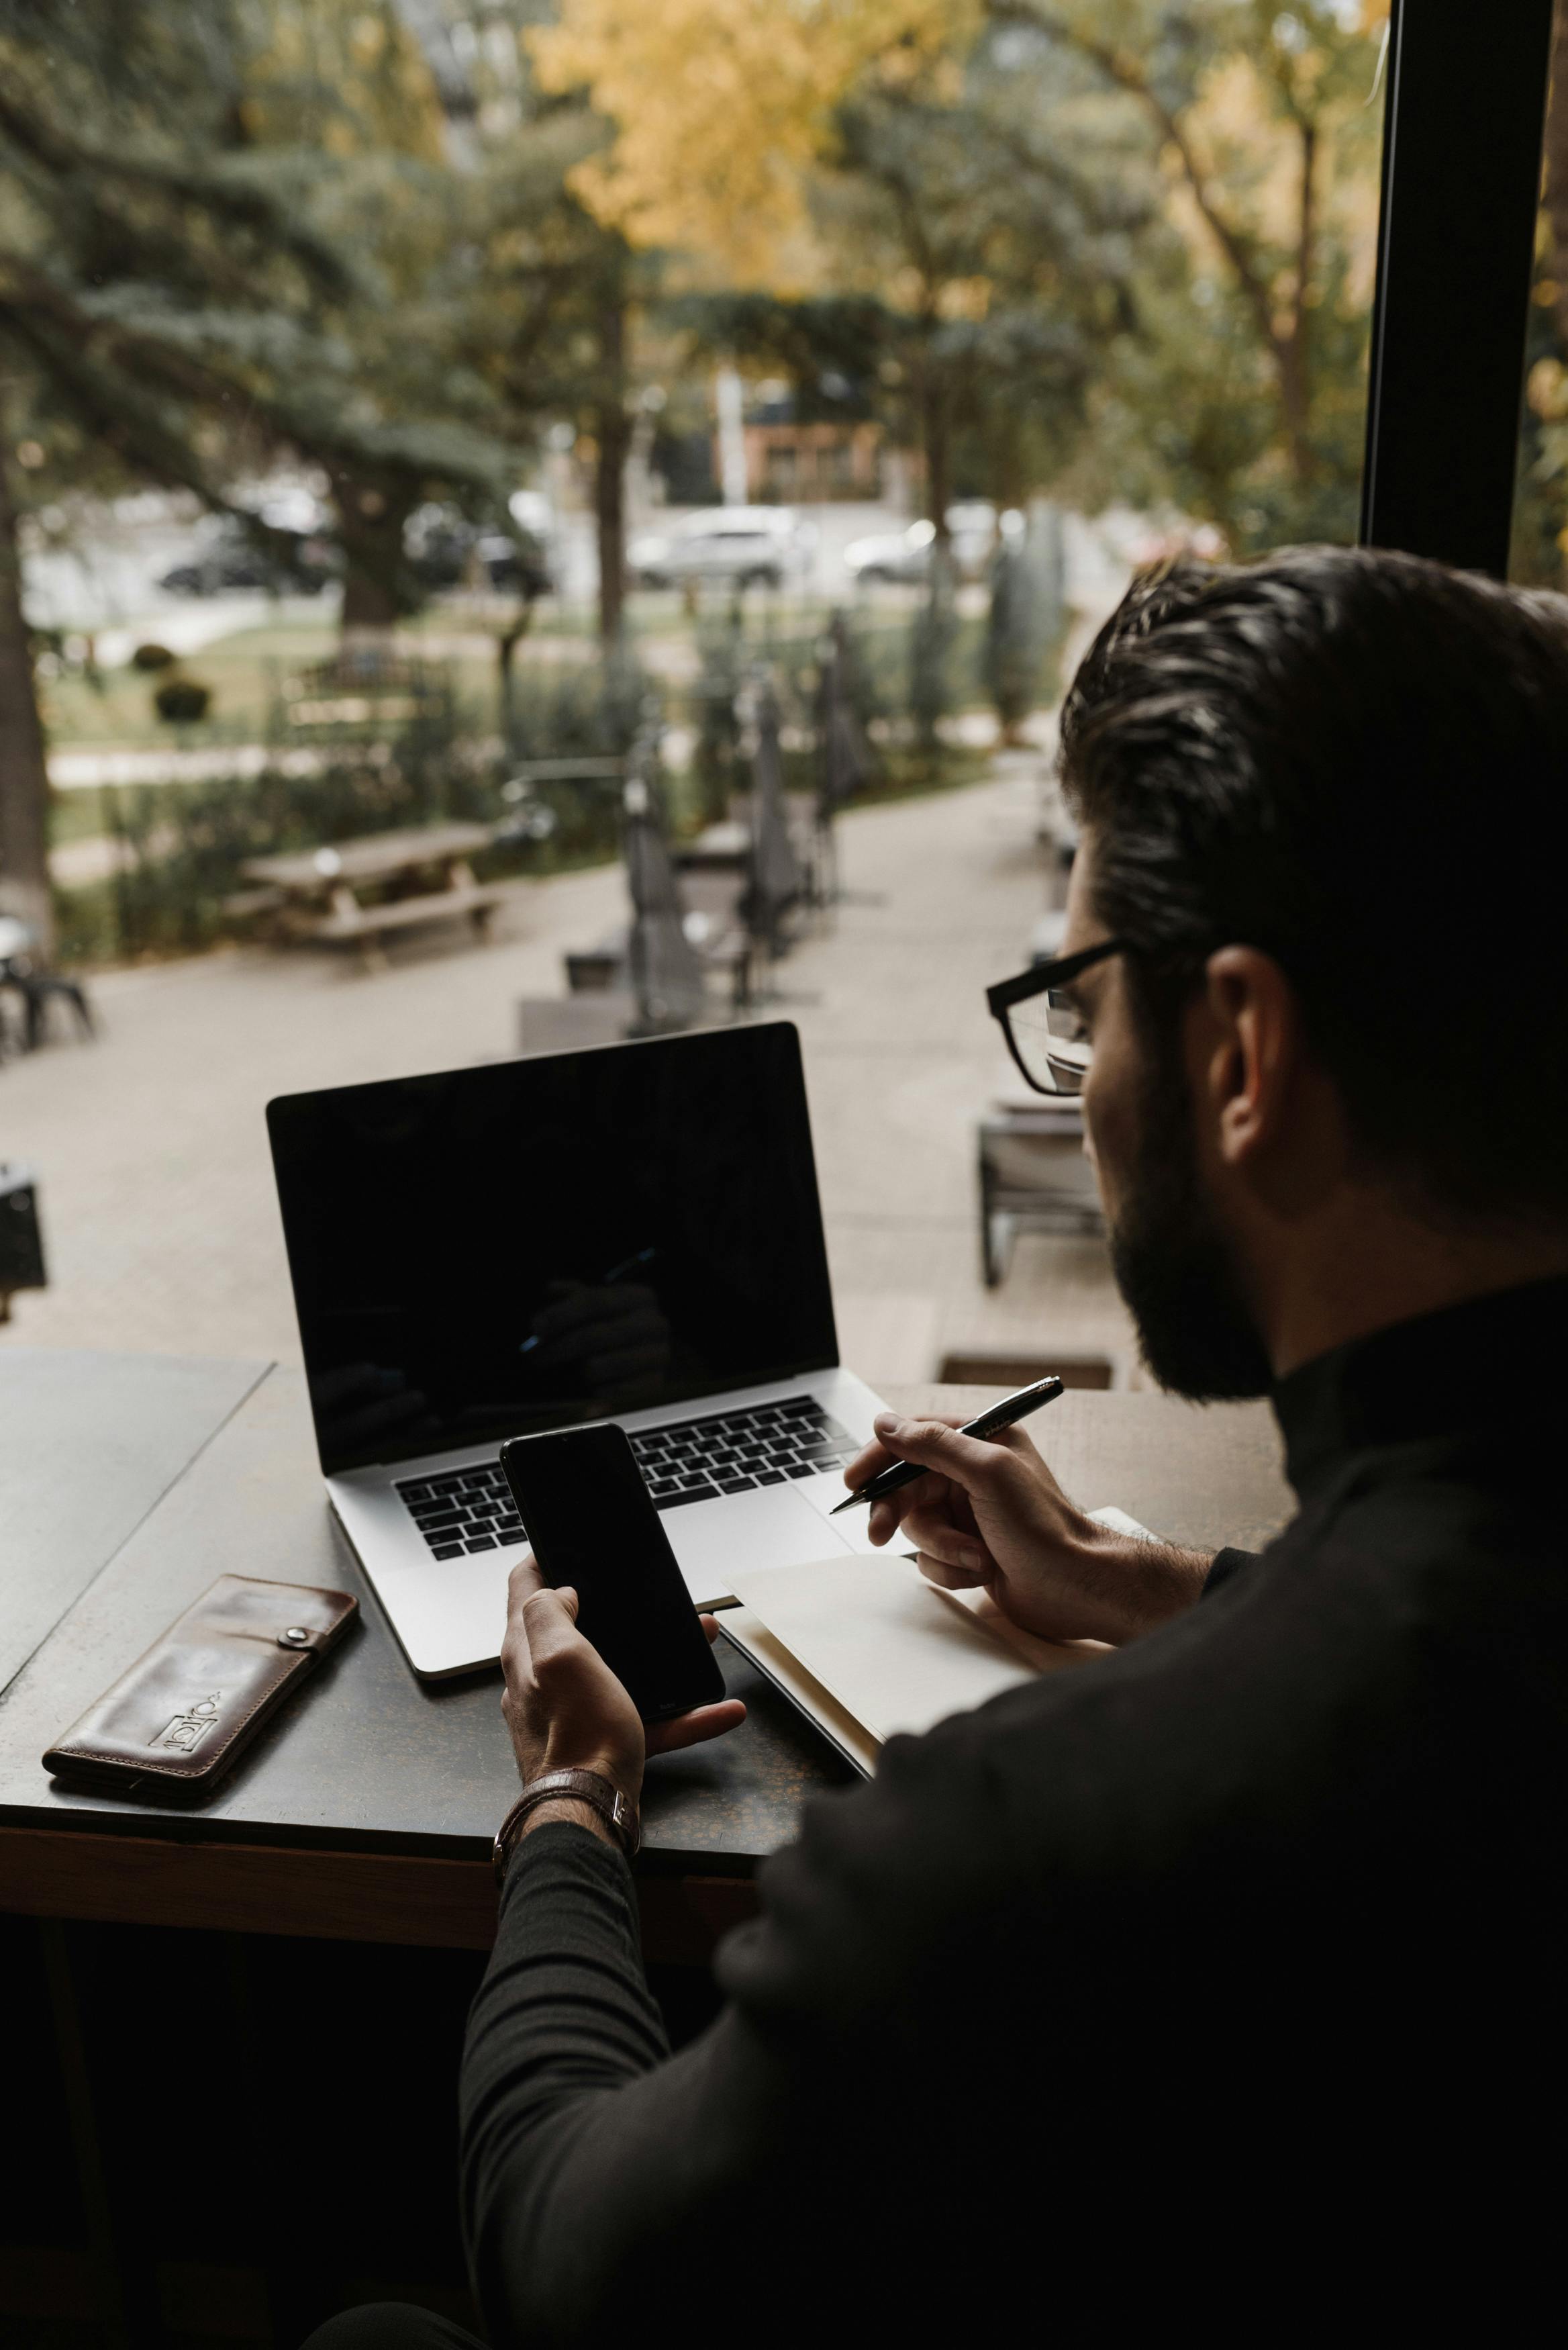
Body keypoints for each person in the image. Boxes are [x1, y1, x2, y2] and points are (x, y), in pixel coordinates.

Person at [308, 547, 1568, 2348]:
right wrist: (1148, 1583)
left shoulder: (1023, 1850)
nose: (1086, 1072)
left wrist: (570, 1806)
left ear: (1243, 1053)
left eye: (1083, 1001)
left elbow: (564, 2252)